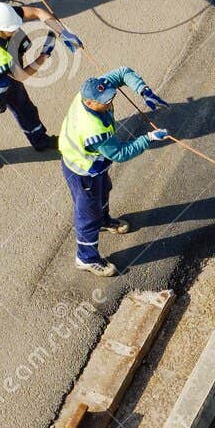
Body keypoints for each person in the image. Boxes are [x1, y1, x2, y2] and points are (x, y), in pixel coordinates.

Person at [59, 70, 169, 275]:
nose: (110, 101)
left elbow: (122, 72)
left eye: (110, 96)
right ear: (90, 103)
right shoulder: (93, 129)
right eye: (105, 100)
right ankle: (86, 258)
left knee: (104, 192)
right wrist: (149, 139)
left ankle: (104, 220)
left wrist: (143, 90)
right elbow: (120, 153)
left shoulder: (92, 91)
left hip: (96, 168)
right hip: (83, 172)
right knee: (87, 215)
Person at [0, 1, 83, 173]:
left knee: (26, 110)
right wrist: (44, 54)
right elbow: (21, 75)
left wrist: (63, 32)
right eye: (12, 29)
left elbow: (38, 12)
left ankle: (40, 140)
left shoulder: (1, 18)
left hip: (9, 82)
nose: (16, 29)